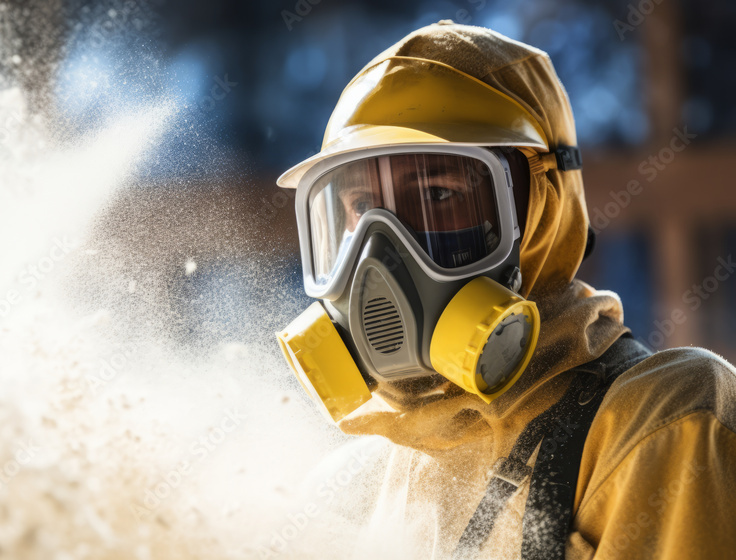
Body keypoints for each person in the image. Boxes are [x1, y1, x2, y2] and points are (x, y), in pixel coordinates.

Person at [274, 20, 736, 559]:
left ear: (544, 207)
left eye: (438, 195)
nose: (380, 254)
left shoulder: (663, 419)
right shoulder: (349, 491)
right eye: (359, 206)